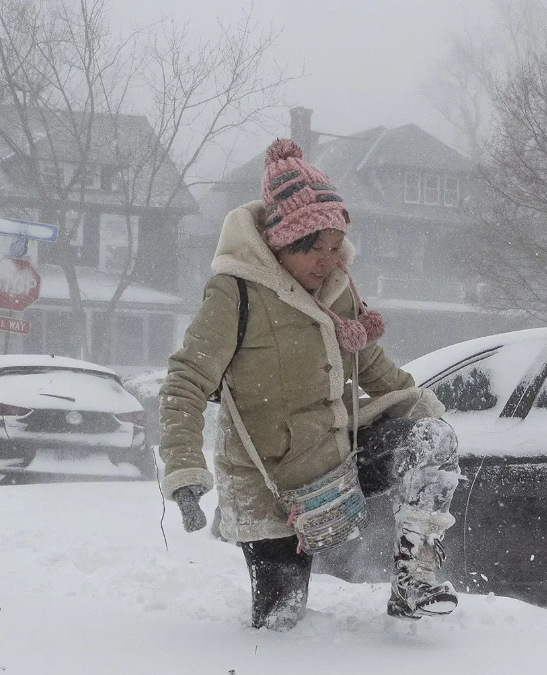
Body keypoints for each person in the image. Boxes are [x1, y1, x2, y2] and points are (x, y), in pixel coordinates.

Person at [159, 138, 463, 631]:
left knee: (431, 437)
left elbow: (377, 368)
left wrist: (430, 410)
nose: (327, 260)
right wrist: (185, 471)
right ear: (282, 242)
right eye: (313, 248)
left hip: (337, 457)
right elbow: (185, 381)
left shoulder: (337, 293)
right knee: (282, 625)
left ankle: (416, 580)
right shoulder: (235, 292)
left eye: (334, 246)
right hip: (271, 484)